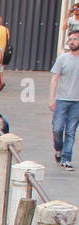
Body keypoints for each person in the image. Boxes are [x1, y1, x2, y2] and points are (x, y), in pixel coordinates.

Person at [50, 31, 79, 171]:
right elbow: (54, 78)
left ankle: (66, 159)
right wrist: (52, 99)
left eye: (75, 39)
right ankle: (58, 149)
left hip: (77, 102)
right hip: (61, 100)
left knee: (71, 131)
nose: (72, 42)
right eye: (70, 39)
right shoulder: (62, 59)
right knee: (57, 129)